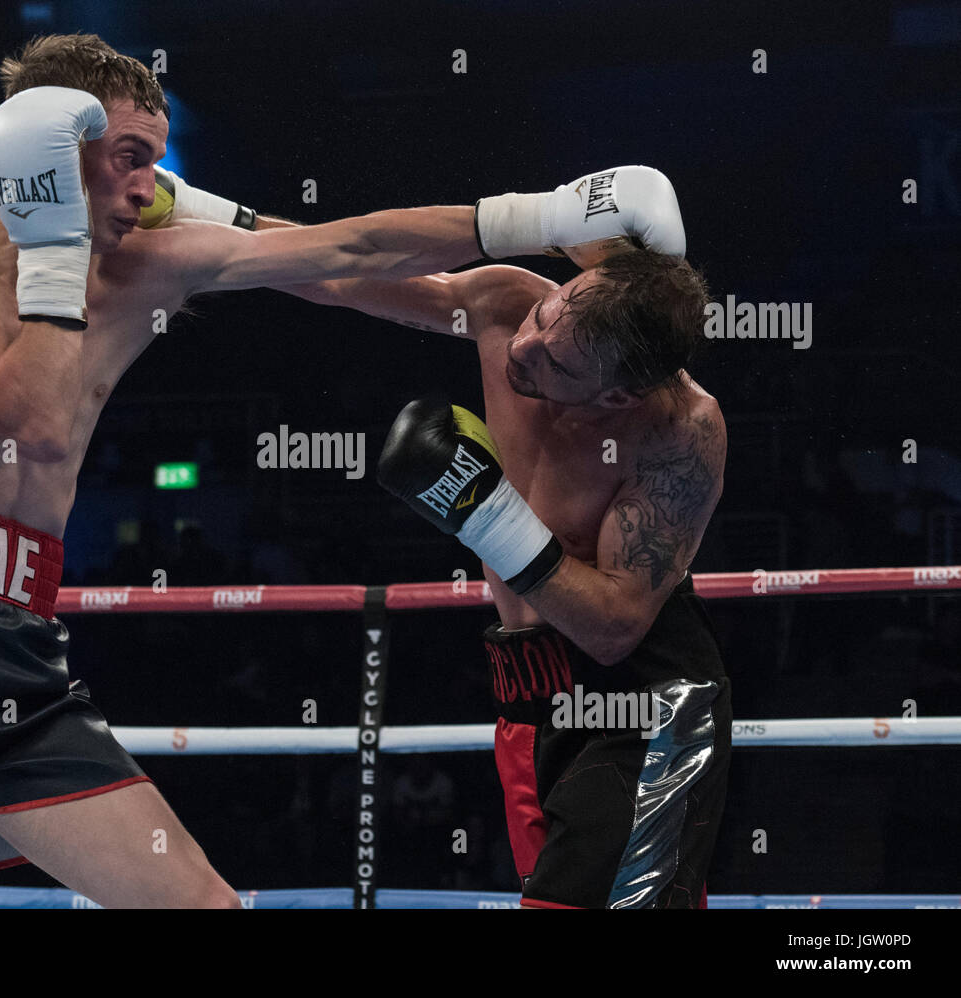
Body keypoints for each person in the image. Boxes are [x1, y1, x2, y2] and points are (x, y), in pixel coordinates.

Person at [0, 33, 556, 908]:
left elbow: (342, 252)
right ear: (48, 153)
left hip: (6, 632)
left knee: (200, 904)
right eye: (127, 158)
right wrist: (55, 245)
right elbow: (32, 423)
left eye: (155, 164)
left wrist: (543, 218)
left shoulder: (143, 268)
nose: (147, 191)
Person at [276, 169, 732, 908]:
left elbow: (615, 628)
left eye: (558, 362)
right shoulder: (506, 304)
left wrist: (483, 511)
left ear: (617, 394)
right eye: (546, 315)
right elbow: (336, 270)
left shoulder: (679, 430)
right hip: (524, 701)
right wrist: (199, 226)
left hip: (640, 709)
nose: (526, 348)